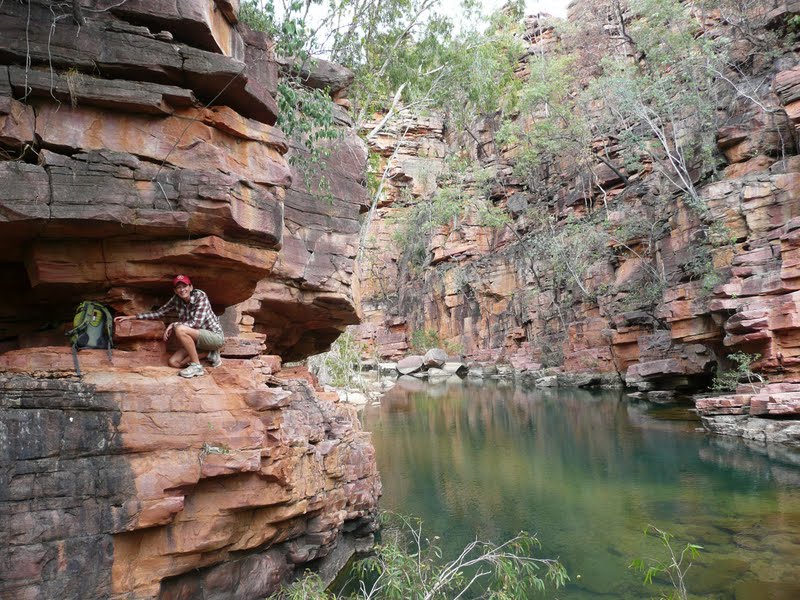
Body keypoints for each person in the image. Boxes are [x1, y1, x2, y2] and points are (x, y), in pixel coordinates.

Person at [114, 274, 224, 378]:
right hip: (197, 342)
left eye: (184, 286)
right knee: (174, 362)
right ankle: (208, 353)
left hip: (214, 337)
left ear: (191, 287)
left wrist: (174, 324)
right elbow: (159, 313)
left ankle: (196, 366)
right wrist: (132, 317)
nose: (182, 290)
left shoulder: (200, 296)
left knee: (180, 329)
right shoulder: (176, 300)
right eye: (178, 287)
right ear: (175, 291)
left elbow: (196, 323)